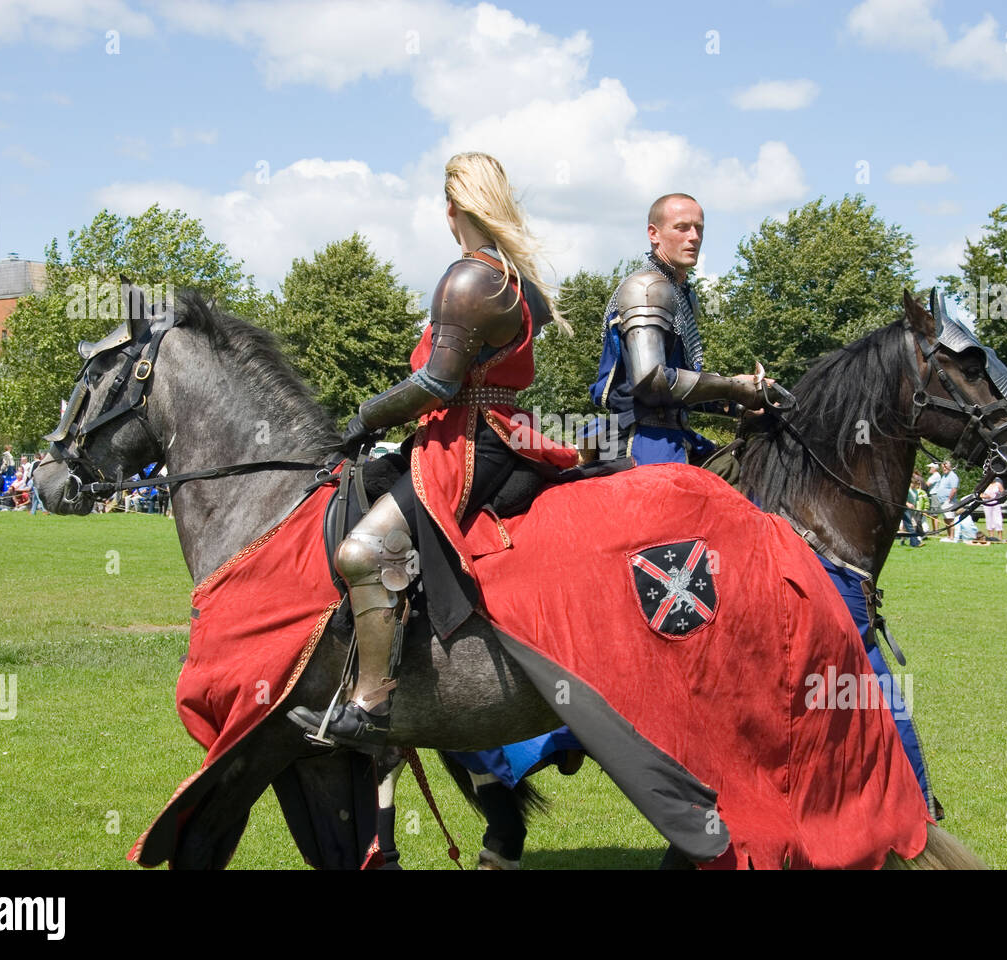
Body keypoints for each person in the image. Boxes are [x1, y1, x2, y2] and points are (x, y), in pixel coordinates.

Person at [289, 153, 579, 756]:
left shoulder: (471, 278)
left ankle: (371, 704)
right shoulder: (516, 280)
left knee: (365, 551)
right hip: (491, 429)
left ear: (453, 208)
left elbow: (440, 383)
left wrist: (365, 416)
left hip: (469, 439)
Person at [589, 193, 770, 465]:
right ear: (654, 233)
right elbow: (652, 381)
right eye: (682, 227)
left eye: (699, 228)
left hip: (678, 434)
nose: (694, 236)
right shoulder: (647, 289)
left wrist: (745, 398)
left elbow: (682, 391)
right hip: (642, 440)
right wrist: (732, 388)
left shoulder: (682, 294)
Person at [937, 461, 960, 526]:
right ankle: (949, 536)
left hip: (949, 501)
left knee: (950, 519)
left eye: (946, 467)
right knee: (946, 519)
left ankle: (952, 536)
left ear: (950, 467)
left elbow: (954, 489)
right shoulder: (944, 476)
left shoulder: (952, 476)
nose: (944, 468)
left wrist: (948, 500)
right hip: (942, 501)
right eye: (943, 467)